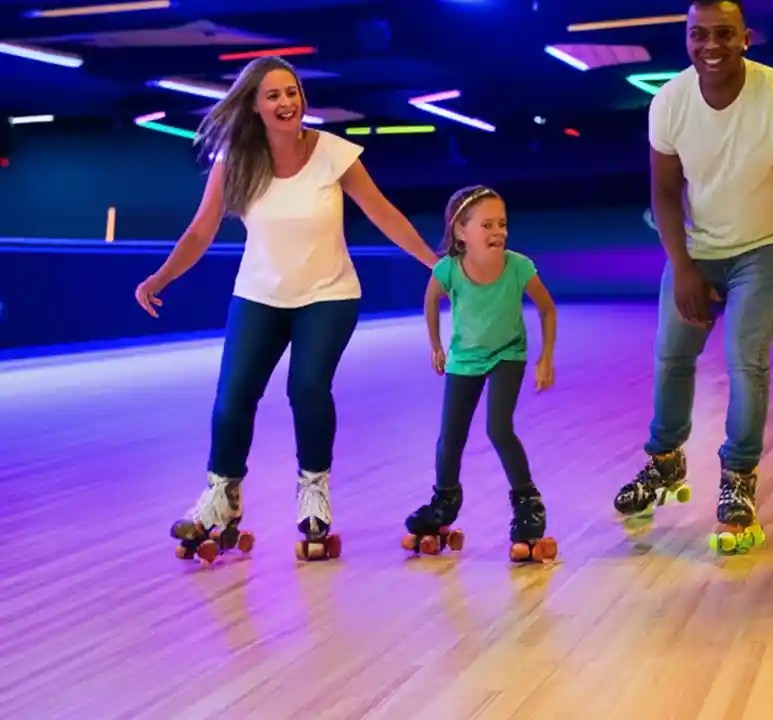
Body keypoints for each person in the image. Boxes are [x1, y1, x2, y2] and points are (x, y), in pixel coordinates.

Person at [134, 56, 439, 564]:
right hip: (259, 295)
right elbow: (201, 230)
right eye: (273, 94)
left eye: (292, 91)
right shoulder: (234, 161)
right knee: (233, 398)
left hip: (329, 294)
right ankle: (221, 496)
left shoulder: (334, 154)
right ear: (254, 105)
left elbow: (382, 211)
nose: (286, 102)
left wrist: (436, 265)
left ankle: (313, 489)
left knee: (307, 387)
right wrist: (160, 277)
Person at [611, 0, 773, 548]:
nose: (710, 45)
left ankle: (738, 476)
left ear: (747, 38)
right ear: (686, 38)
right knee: (672, 355)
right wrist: (683, 265)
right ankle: (665, 462)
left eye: (723, 34)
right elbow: (665, 192)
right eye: (698, 35)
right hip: (698, 246)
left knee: (746, 356)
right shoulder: (670, 102)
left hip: (768, 244)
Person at [402, 185, 560, 564]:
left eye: (502, 224)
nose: (498, 232)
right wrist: (436, 345)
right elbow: (430, 299)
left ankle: (527, 503)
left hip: (508, 354)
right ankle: (444, 500)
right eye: (487, 224)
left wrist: (546, 358)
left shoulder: (519, 266)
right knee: (450, 435)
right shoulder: (448, 270)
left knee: (498, 428)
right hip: (465, 359)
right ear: (461, 232)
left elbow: (547, 309)